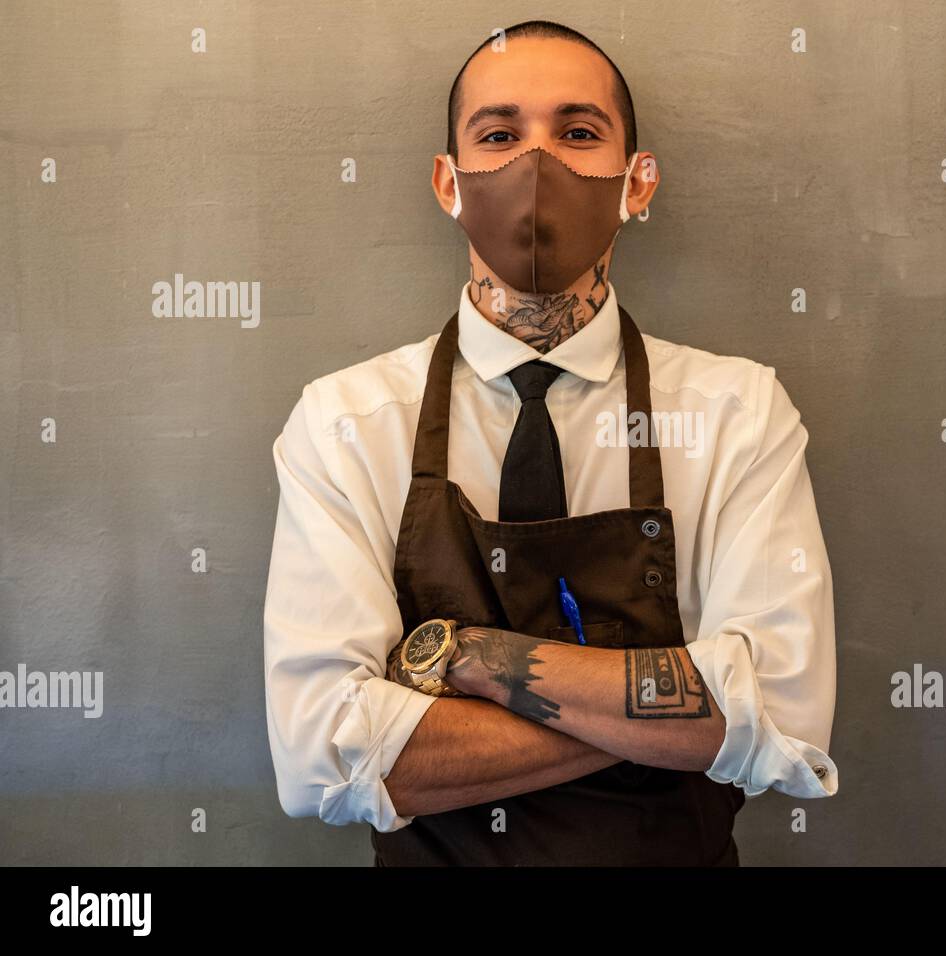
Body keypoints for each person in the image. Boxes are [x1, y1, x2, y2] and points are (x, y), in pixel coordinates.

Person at [263, 19, 838, 866]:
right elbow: (324, 752)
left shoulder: (737, 412)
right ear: (448, 183)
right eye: (498, 135)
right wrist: (679, 721)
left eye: (577, 133)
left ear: (636, 183)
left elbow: (784, 717)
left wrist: (462, 657)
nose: (537, 166)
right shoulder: (346, 421)